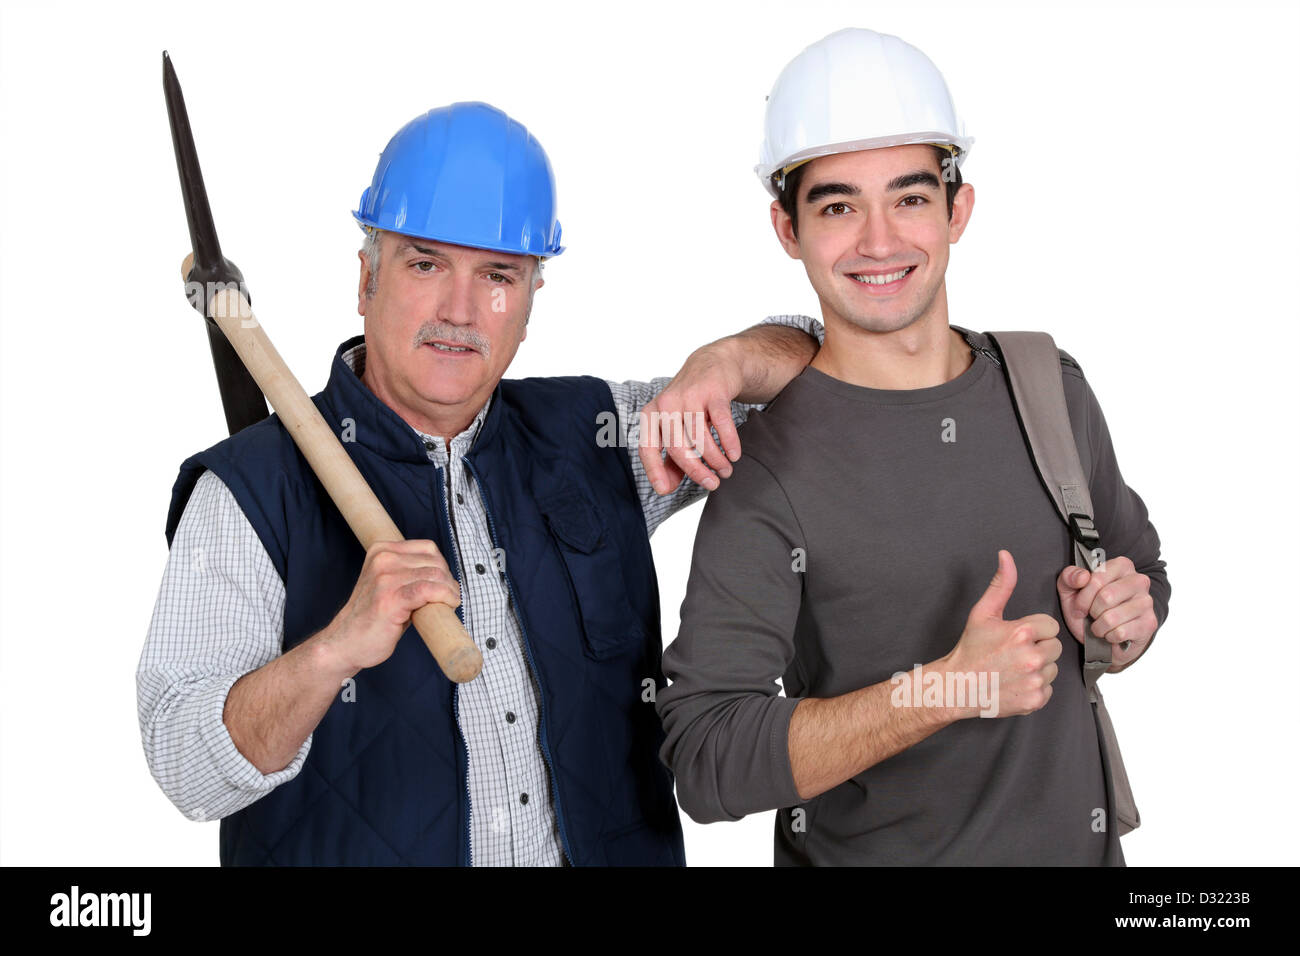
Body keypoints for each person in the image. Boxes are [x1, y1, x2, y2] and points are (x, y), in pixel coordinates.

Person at [137, 101, 822, 866]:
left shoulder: (602, 437)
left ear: (530, 301)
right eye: (425, 263)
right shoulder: (248, 496)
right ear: (367, 278)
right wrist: (331, 652)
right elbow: (185, 770)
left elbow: (835, 377)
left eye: (498, 275)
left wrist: (725, 360)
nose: (460, 310)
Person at [654, 28, 1170, 865]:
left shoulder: (1048, 388)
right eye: (836, 206)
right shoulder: (766, 470)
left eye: (910, 197)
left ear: (957, 208)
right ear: (786, 229)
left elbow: (1143, 573)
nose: (880, 241)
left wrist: (1122, 620)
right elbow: (709, 760)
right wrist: (948, 689)